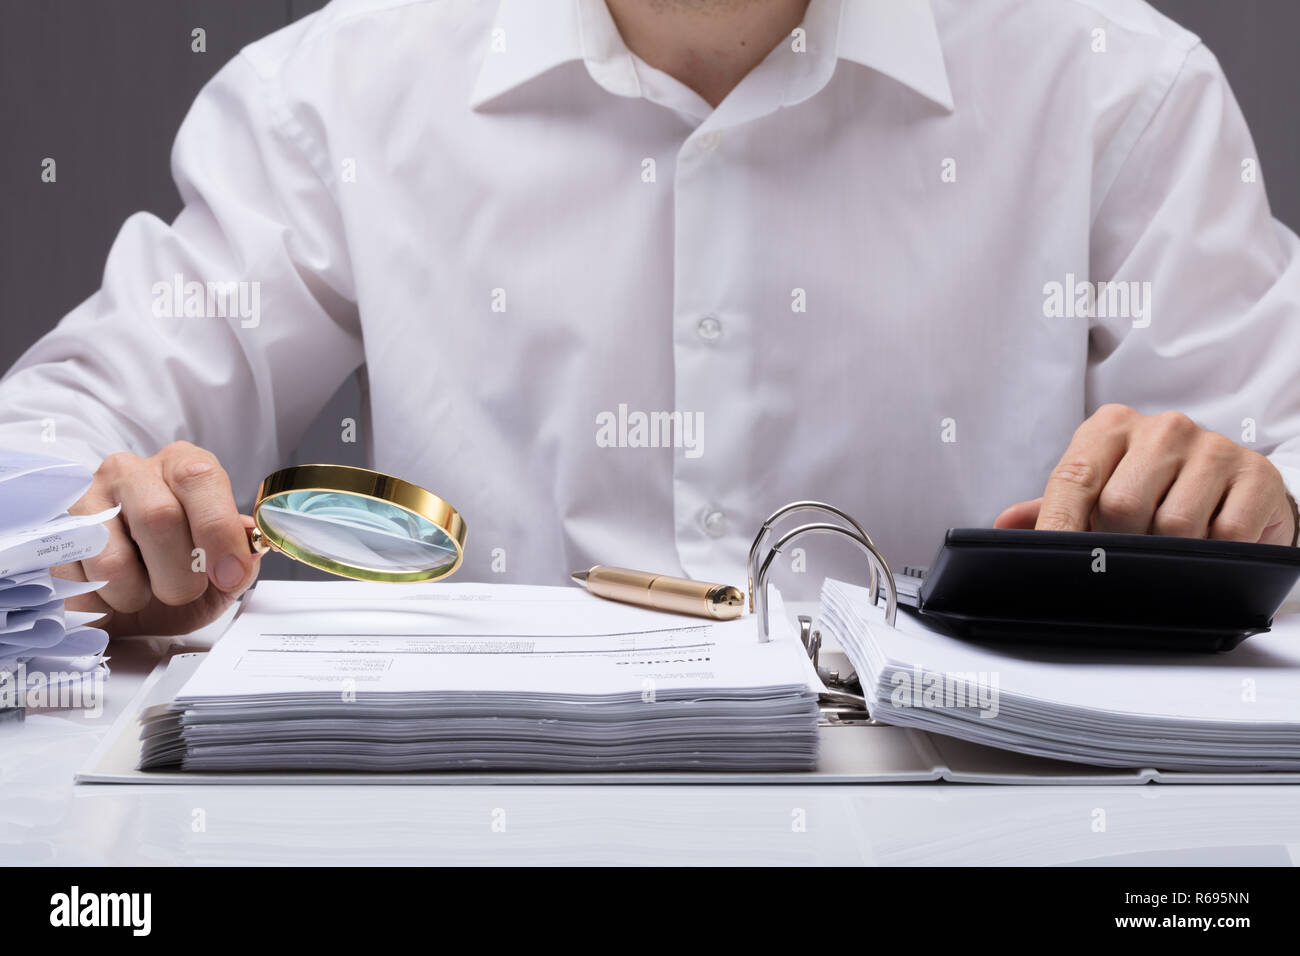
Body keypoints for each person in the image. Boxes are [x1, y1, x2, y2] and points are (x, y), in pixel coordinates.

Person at [1, 0, 1298, 638]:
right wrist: (104, 528)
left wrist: (1255, 492)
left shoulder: (1113, 82)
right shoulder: (343, 87)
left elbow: (1278, 449)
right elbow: (50, 444)